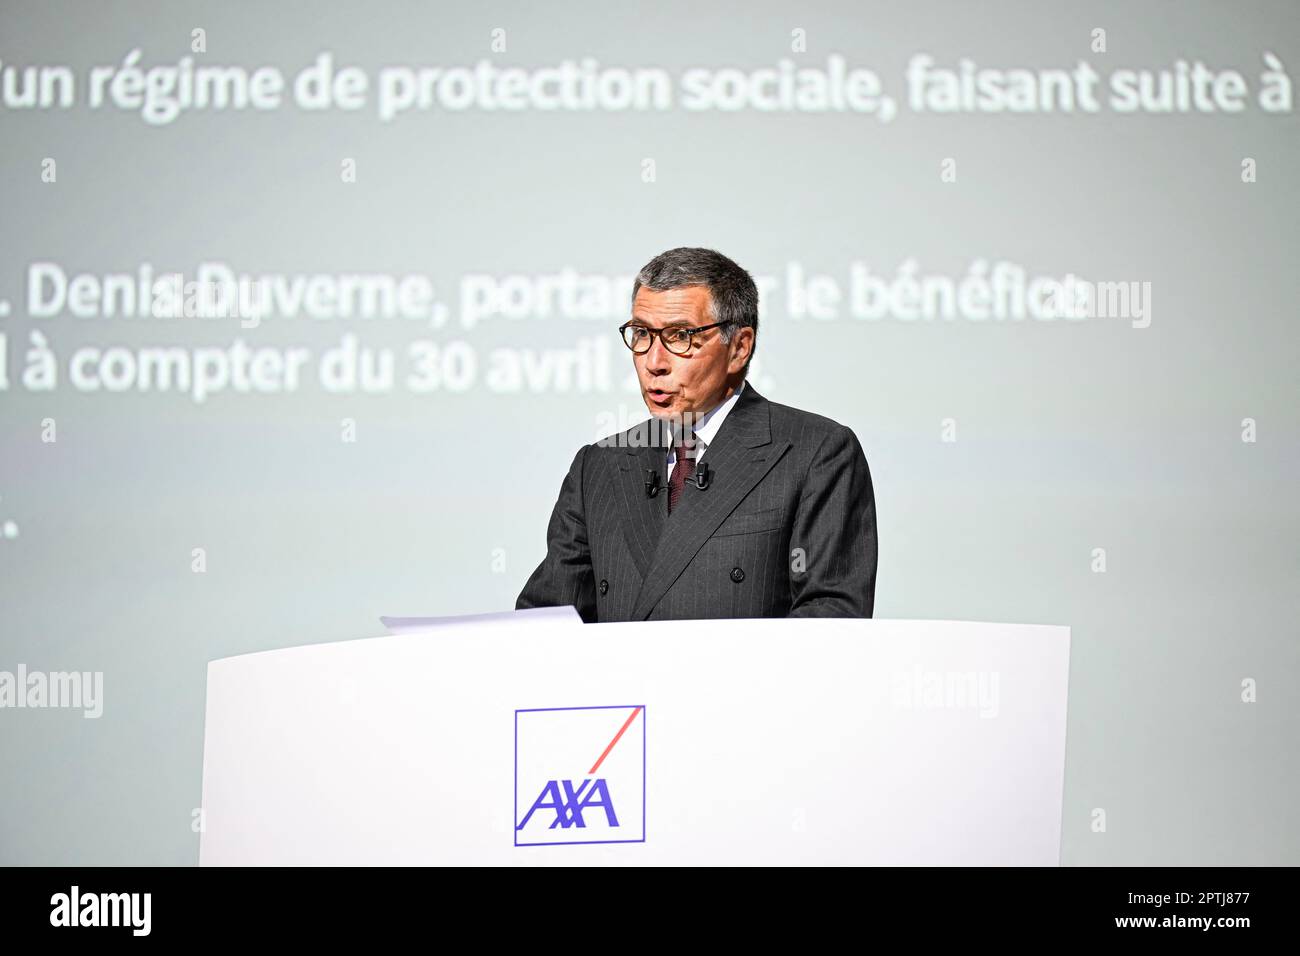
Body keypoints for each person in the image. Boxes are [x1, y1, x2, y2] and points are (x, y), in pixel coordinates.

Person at [516, 246, 877, 622]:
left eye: (680, 336)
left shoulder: (815, 452)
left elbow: (831, 625)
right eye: (641, 334)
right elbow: (546, 624)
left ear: (739, 347)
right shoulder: (600, 465)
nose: (654, 363)